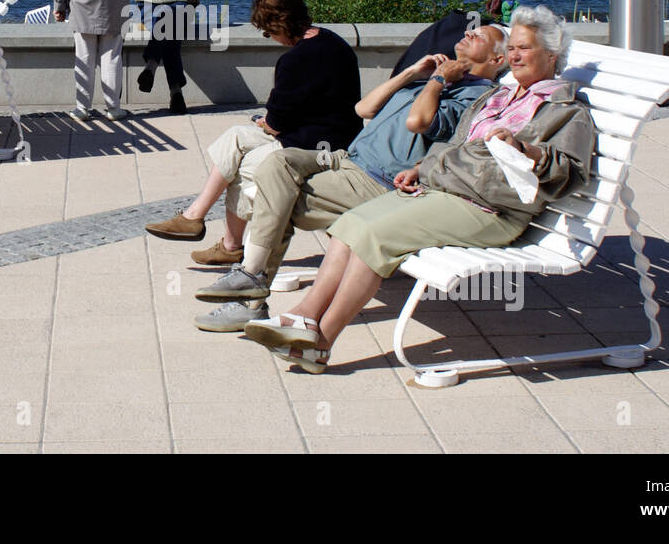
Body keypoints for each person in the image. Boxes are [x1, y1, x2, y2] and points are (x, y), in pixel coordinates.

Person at [241, 5, 594, 373]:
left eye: (525, 49)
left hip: (490, 208)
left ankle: (320, 341)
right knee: (351, 225)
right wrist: (420, 167)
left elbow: (569, 170)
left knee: (374, 235)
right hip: (446, 191)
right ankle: (304, 316)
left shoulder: (566, 110)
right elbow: (453, 144)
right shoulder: (498, 99)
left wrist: (526, 149)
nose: (515, 55)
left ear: (552, 56)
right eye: (514, 48)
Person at [191, 23, 508, 331]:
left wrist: (438, 80)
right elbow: (364, 109)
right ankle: (251, 281)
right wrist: (413, 73)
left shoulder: (477, 95)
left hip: (378, 179)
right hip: (348, 158)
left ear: (497, 60)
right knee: (278, 163)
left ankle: (250, 297)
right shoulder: (438, 79)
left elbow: (419, 121)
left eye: (478, 34)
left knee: (277, 200)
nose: (468, 32)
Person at [144, 0, 362, 260]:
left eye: (267, 32)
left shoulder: (295, 60)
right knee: (236, 135)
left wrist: (267, 124)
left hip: (315, 144)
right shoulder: (331, 40)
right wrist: (269, 122)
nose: (269, 38)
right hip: (327, 131)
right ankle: (194, 216)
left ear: (279, 25)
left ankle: (230, 246)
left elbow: (278, 120)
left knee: (243, 168)